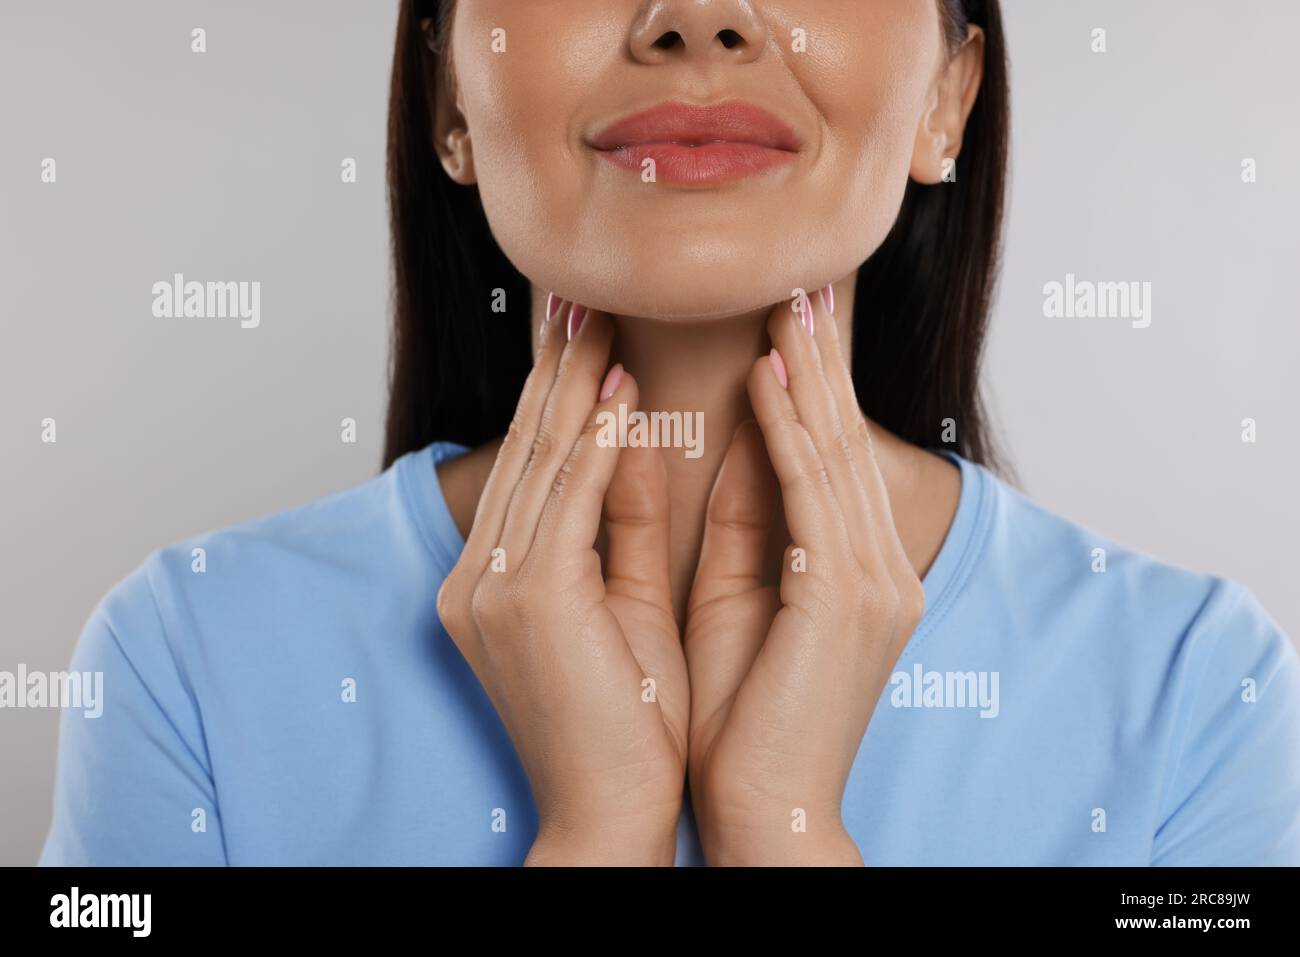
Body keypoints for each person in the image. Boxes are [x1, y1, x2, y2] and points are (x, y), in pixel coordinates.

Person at [41, 0, 1300, 866]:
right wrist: (598, 831)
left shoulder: (1200, 694)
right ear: (450, 97)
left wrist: (783, 825)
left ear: (948, 99)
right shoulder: (184, 662)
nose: (698, 15)